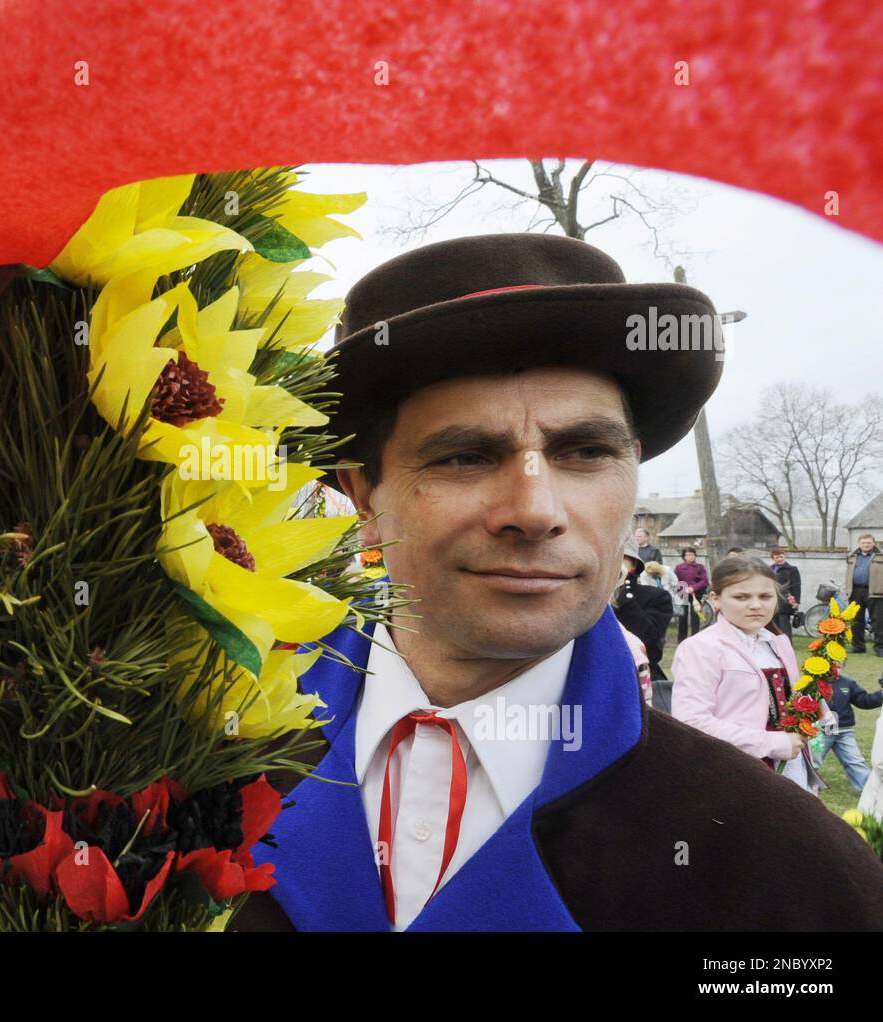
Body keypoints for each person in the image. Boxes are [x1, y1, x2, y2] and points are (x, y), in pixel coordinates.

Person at [228, 233, 883, 932]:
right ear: (363, 496)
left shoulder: (788, 868)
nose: (536, 512)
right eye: (465, 456)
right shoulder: (184, 771)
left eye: (586, 451)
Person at [671, 557, 825, 793]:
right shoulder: (701, 647)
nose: (755, 605)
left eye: (765, 597)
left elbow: (789, 700)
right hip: (734, 771)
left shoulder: (778, 642)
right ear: (716, 599)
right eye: (741, 597)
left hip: (791, 765)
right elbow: (691, 723)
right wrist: (773, 743)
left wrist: (816, 709)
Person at [612, 541, 674, 687]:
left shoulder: (657, 596)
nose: (613, 562)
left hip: (638, 678)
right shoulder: (589, 596)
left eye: (620, 557)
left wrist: (622, 595)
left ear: (633, 565)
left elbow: (649, 638)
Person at [812, 672, 883, 793]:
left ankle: (869, 790)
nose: (835, 667)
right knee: (813, 759)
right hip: (822, 730)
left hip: (844, 731)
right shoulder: (812, 683)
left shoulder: (847, 683)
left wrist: (881, 695)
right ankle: (803, 784)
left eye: (839, 665)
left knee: (855, 761)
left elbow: (864, 700)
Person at [845, 534, 882, 656]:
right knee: (856, 620)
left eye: (868, 542)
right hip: (855, 591)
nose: (866, 545)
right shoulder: (852, 556)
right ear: (859, 543)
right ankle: (858, 646)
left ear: (873, 543)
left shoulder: (880, 556)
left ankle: (880, 648)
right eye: (863, 542)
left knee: (878, 621)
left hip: (875, 592)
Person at [673, 548, 708, 641]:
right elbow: (675, 581)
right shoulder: (679, 568)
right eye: (688, 555)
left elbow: (704, 581)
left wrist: (693, 588)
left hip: (697, 595)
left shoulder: (700, 567)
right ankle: (681, 640)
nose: (690, 557)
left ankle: (695, 639)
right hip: (683, 595)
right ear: (684, 557)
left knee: (695, 617)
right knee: (682, 618)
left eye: (692, 554)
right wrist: (683, 589)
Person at [769, 547, 801, 641]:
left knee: (784, 625)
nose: (779, 559)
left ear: (784, 556)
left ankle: (787, 645)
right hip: (772, 600)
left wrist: (796, 601)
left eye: (781, 557)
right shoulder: (770, 569)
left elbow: (796, 586)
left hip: (785, 601)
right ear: (773, 558)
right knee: (773, 625)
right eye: (777, 557)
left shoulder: (792, 569)